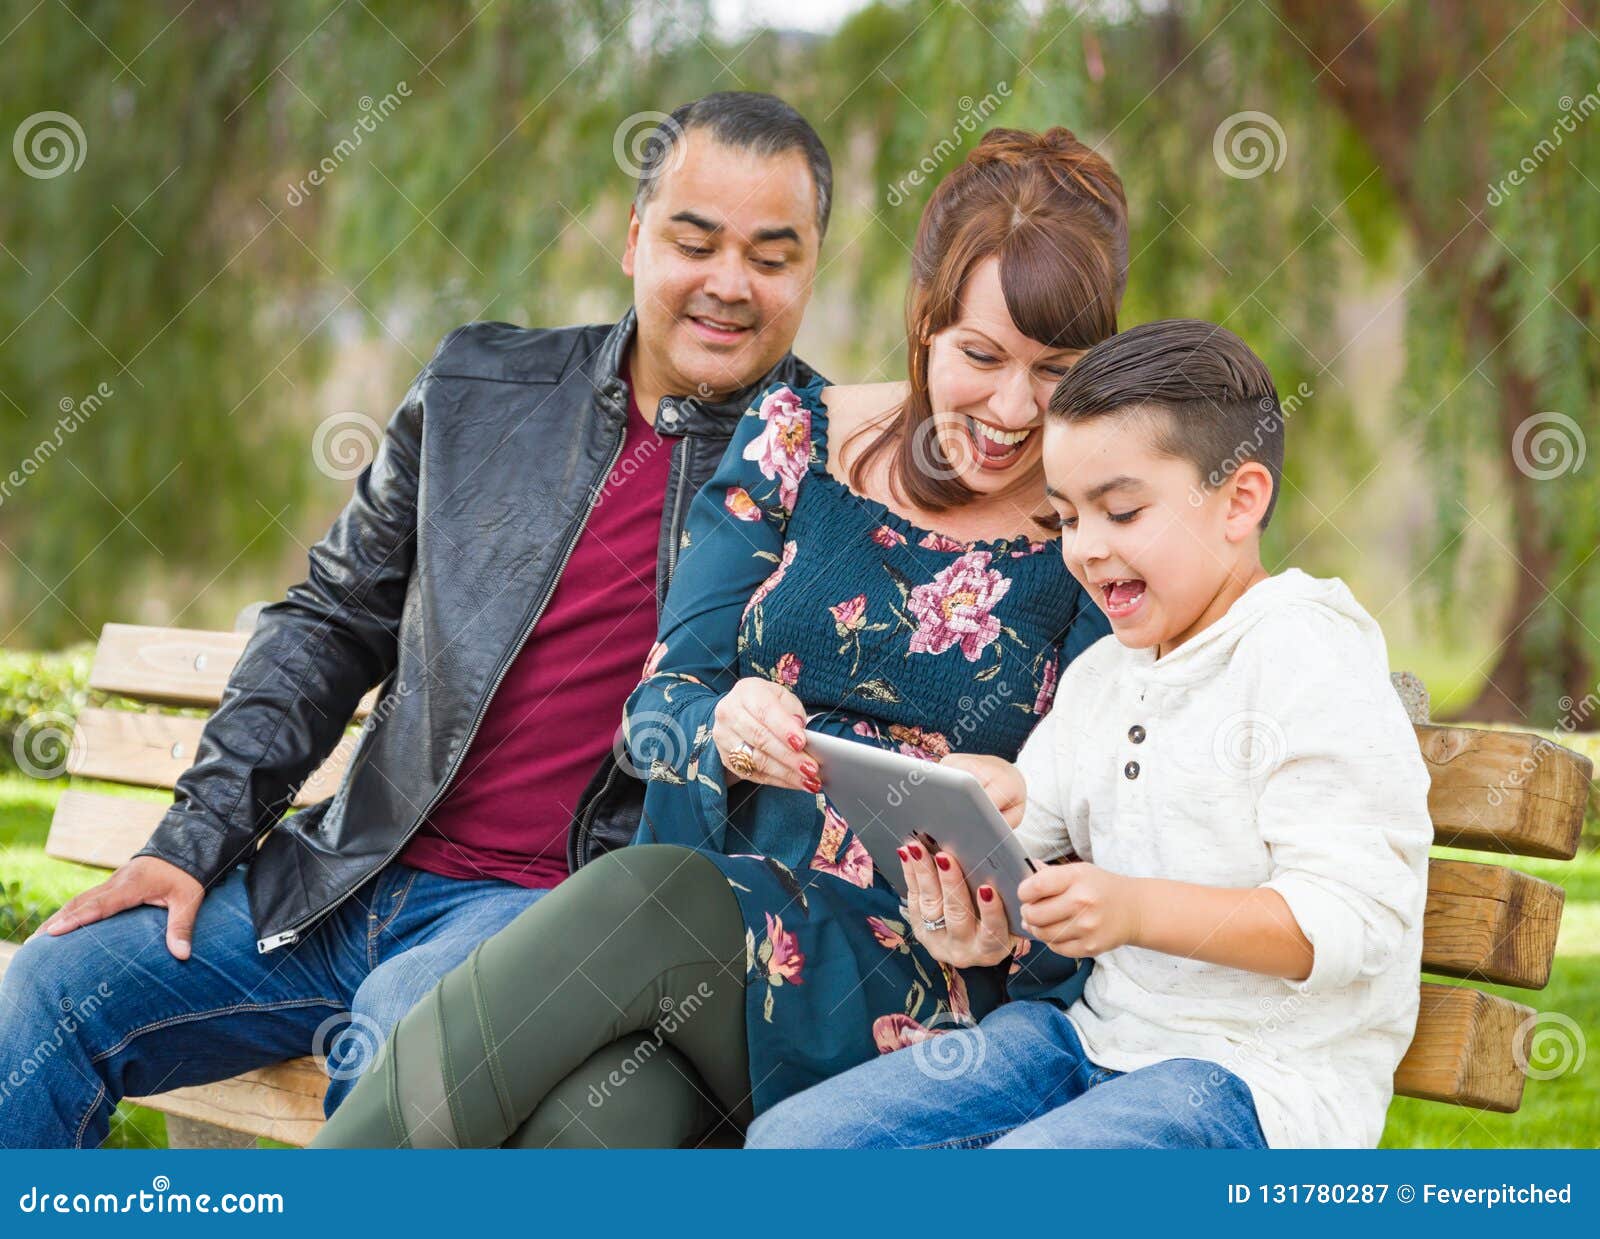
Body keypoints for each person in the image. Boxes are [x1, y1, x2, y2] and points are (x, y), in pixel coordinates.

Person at [0, 91, 831, 1149]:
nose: (729, 283)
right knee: (53, 984)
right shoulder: (482, 387)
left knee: (406, 1056)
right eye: (695, 242)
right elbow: (331, 619)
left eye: (771, 255)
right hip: (347, 874)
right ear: (635, 239)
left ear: (811, 269)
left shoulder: (834, 469)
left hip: (547, 922)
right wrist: (193, 841)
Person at [311, 126, 1129, 1149]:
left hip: (905, 990)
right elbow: (661, 707)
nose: (1011, 407)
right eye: (981, 356)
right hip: (699, 956)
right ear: (925, 324)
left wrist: (1005, 914)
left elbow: (1106, 842)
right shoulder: (797, 434)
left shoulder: (1098, 539)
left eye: (1055, 371)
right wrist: (724, 728)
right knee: (586, 1131)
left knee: (641, 902)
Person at [745, 319, 1433, 1149]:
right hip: (1089, 1043)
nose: (1087, 549)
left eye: (1122, 511)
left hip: (1255, 1083)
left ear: (1240, 500)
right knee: (797, 1145)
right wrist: (975, 855)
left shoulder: (1305, 653)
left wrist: (1135, 909)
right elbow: (1026, 843)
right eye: (1068, 517)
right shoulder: (1108, 673)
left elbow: (1354, 920)